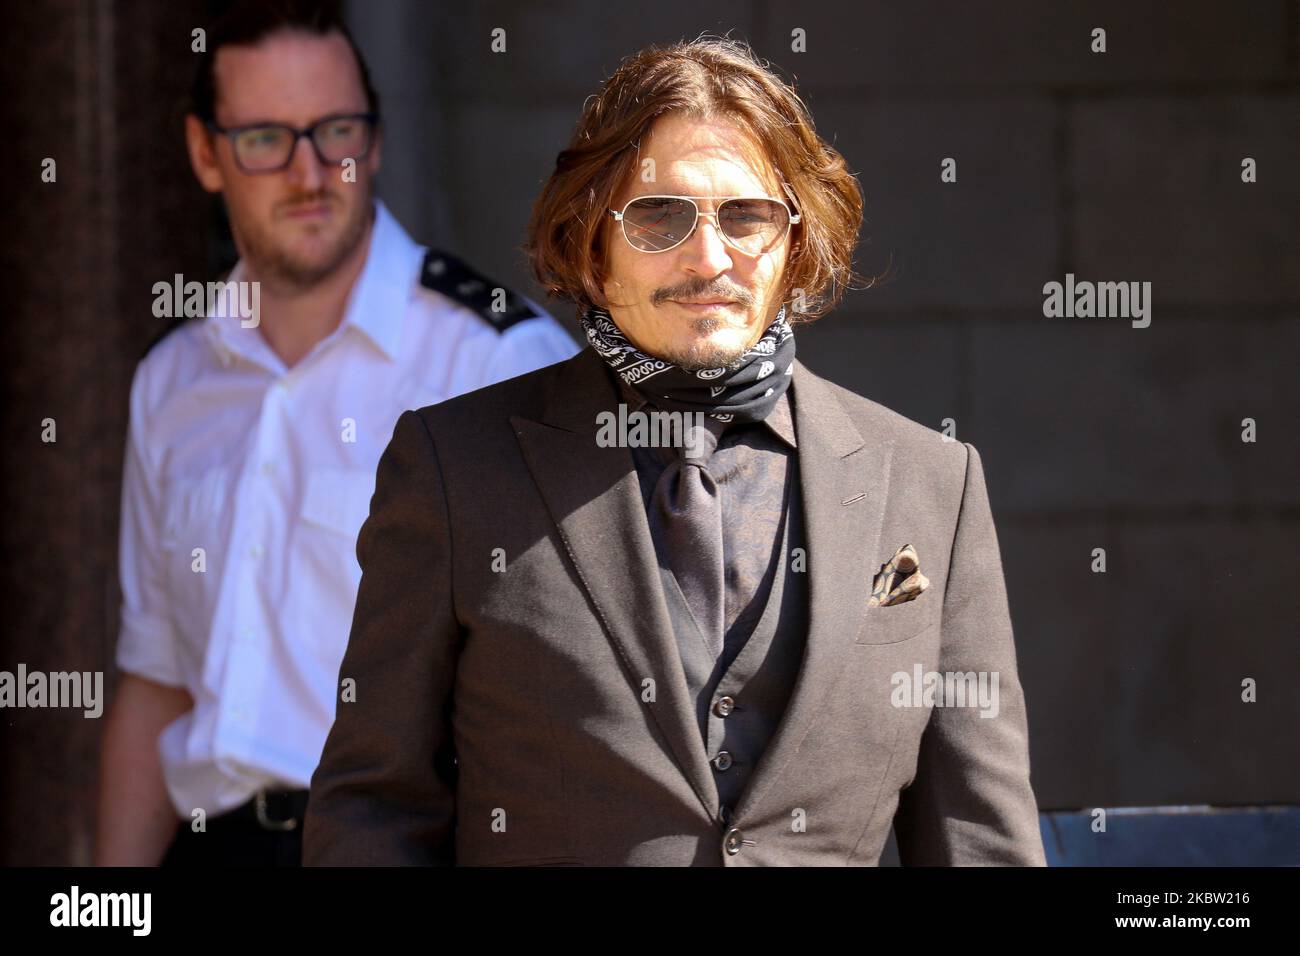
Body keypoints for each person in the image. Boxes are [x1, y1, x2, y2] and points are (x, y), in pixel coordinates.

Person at [304, 37, 1046, 866]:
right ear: (591, 243)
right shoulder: (453, 470)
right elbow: (373, 813)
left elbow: (981, 841)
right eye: (659, 215)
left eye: (747, 216)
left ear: (794, 242)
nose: (708, 257)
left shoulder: (930, 484)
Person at [93, 0, 577, 867]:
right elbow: (157, 682)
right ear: (207, 154)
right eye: (266, 139)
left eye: (337, 130)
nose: (311, 172)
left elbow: (562, 695)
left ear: (376, 141)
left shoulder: (496, 361)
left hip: (404, 845)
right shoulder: (171, 382)